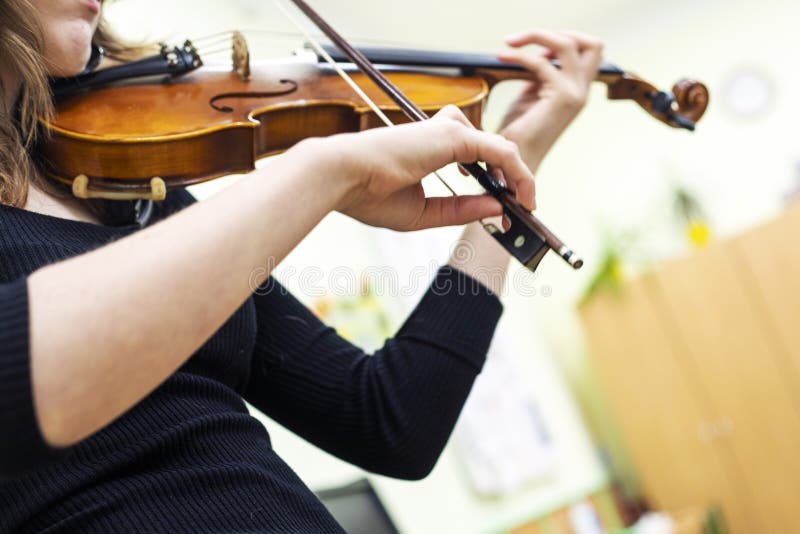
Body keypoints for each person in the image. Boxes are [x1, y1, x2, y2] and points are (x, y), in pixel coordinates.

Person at [0, 0, 603, 531]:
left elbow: (390, 420)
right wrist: (323, 172)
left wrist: (503, 187)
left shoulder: (128, 189)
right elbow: (23, 375)